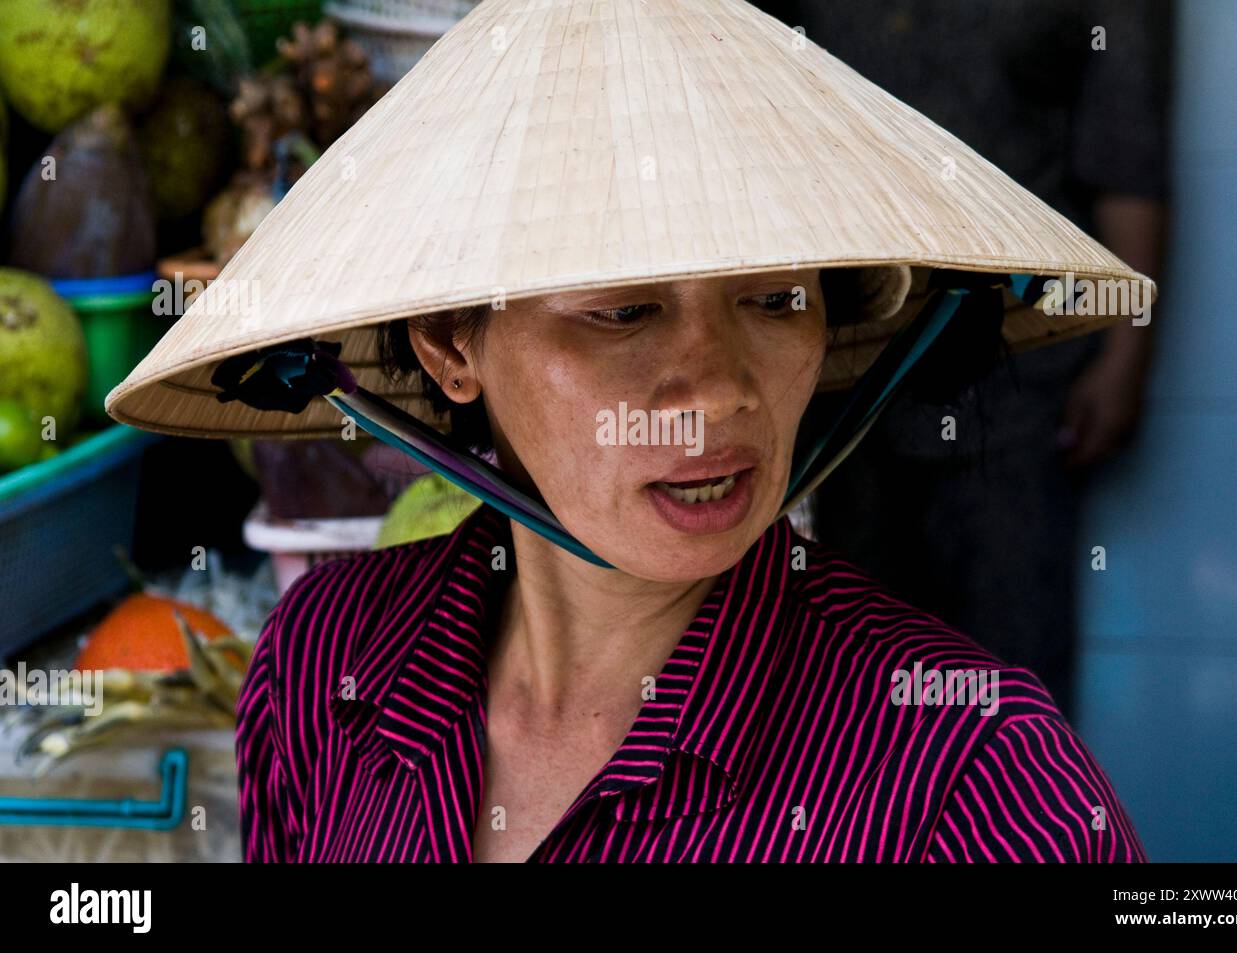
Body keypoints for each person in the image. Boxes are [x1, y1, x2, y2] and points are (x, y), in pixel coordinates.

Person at [105, 0, 1152, 862]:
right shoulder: (328, 662)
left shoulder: (977, 775)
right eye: (621, 311)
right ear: (446, 346)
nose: (718, 391)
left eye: (776, 299)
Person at [769, 0, 1171, 720]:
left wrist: (1126, 358)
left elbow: (1127, 155)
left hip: (1017, 369)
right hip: (844, 374)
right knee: (845, 676)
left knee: (1008, 669)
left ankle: (1022, 830)